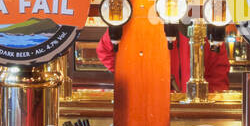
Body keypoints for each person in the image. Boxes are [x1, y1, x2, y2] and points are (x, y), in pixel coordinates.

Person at [96, 27, 230, 92]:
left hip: (193, 113)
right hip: (149, 109)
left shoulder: (204, 25)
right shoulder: (141, 22)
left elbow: (217, 75)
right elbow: (106, 51)